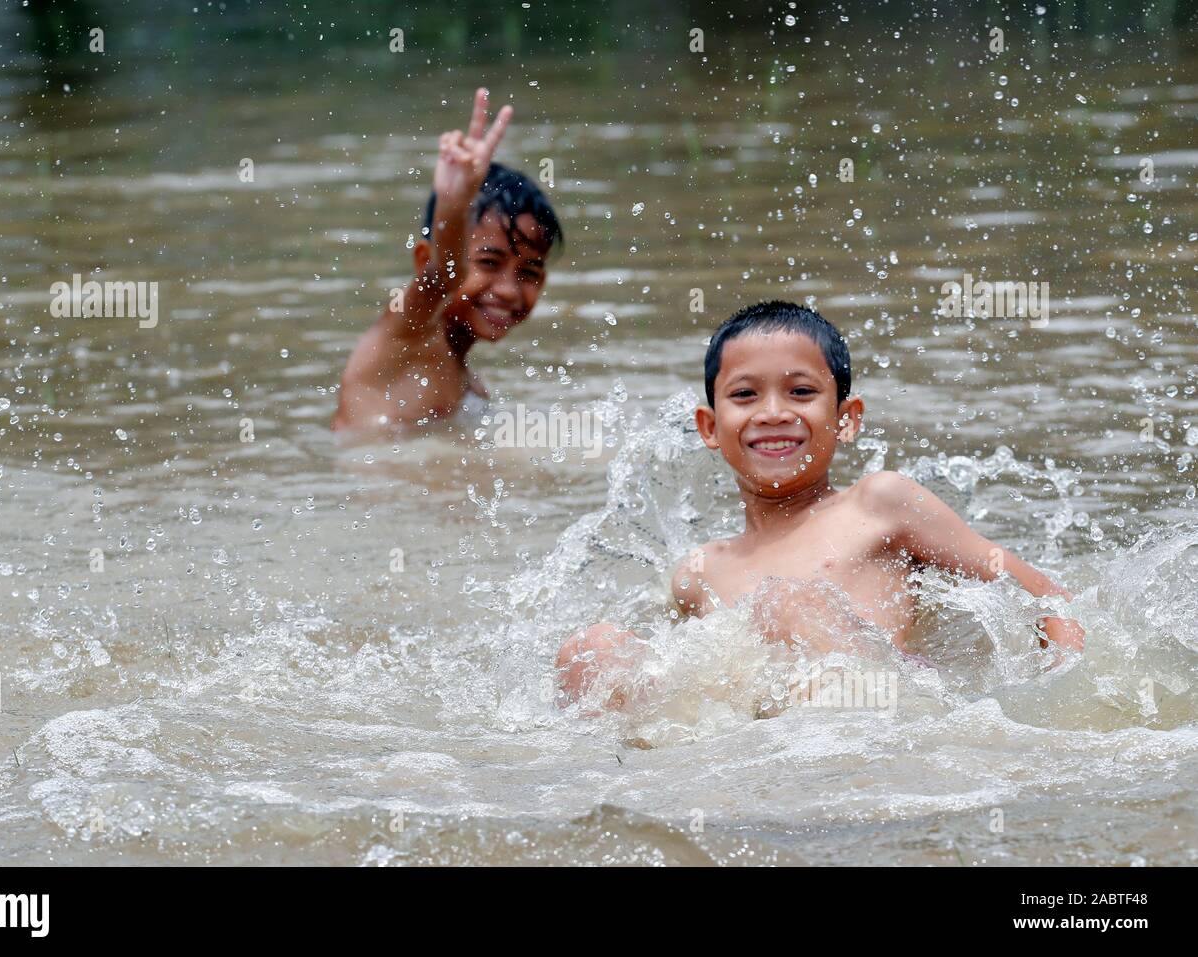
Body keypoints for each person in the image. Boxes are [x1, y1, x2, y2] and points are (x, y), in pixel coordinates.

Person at [556, 300, 1086, 709]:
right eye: (744, 396)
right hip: (753, 752)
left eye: (801, 392)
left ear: (847, 418)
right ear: (710, 428)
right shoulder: (699, 572)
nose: (772, 412)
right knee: (593, 648)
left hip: (875, 727)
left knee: (787, 605)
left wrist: (1070, 703)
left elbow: (1044, 596)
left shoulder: (880, 504)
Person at [333, 88, 563, 433]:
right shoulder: (405, 338)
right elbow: (444, 275)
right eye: (488, 263)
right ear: (423, 258)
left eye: (528, 272)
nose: (509, 291)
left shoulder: (471, 387)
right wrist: (454, 202)